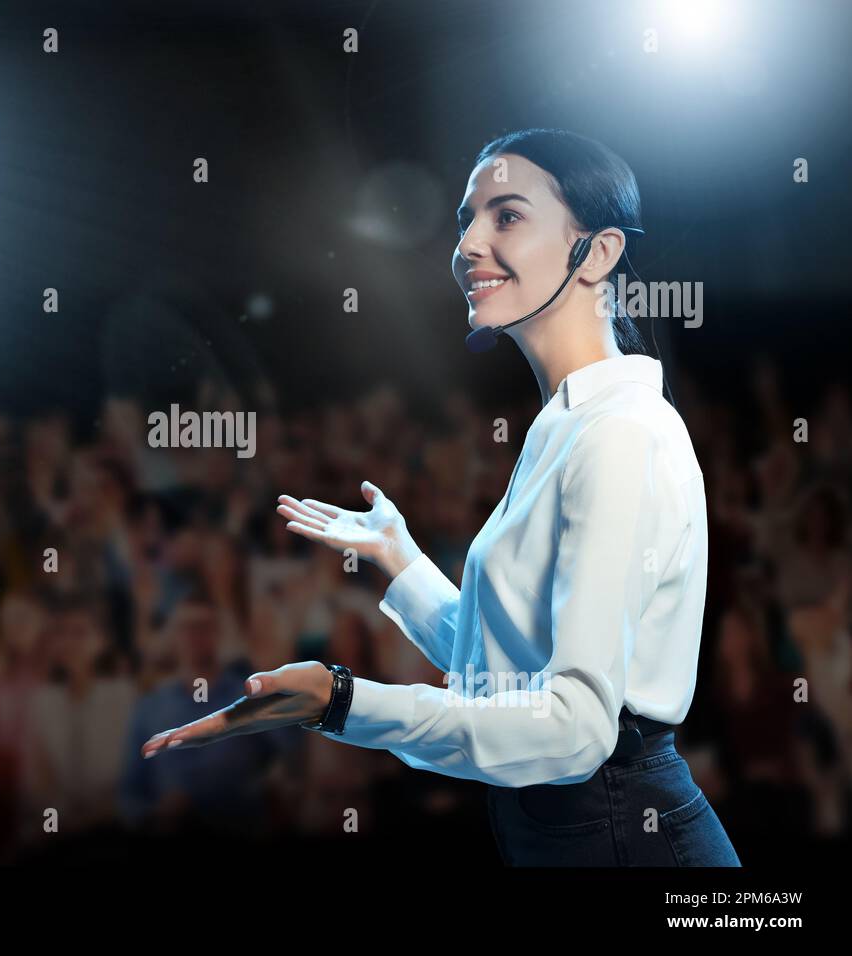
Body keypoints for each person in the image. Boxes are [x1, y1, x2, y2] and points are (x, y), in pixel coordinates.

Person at [140, 128, 742, 867]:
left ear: (600, 253)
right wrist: (402, 560)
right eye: (466, 219)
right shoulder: (570, 424)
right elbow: (507, 674)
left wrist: (342, 701)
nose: (467, 245)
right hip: (582, 828)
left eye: (507, 216)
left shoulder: (617, 434)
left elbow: (576, 729)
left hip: (620, 832)